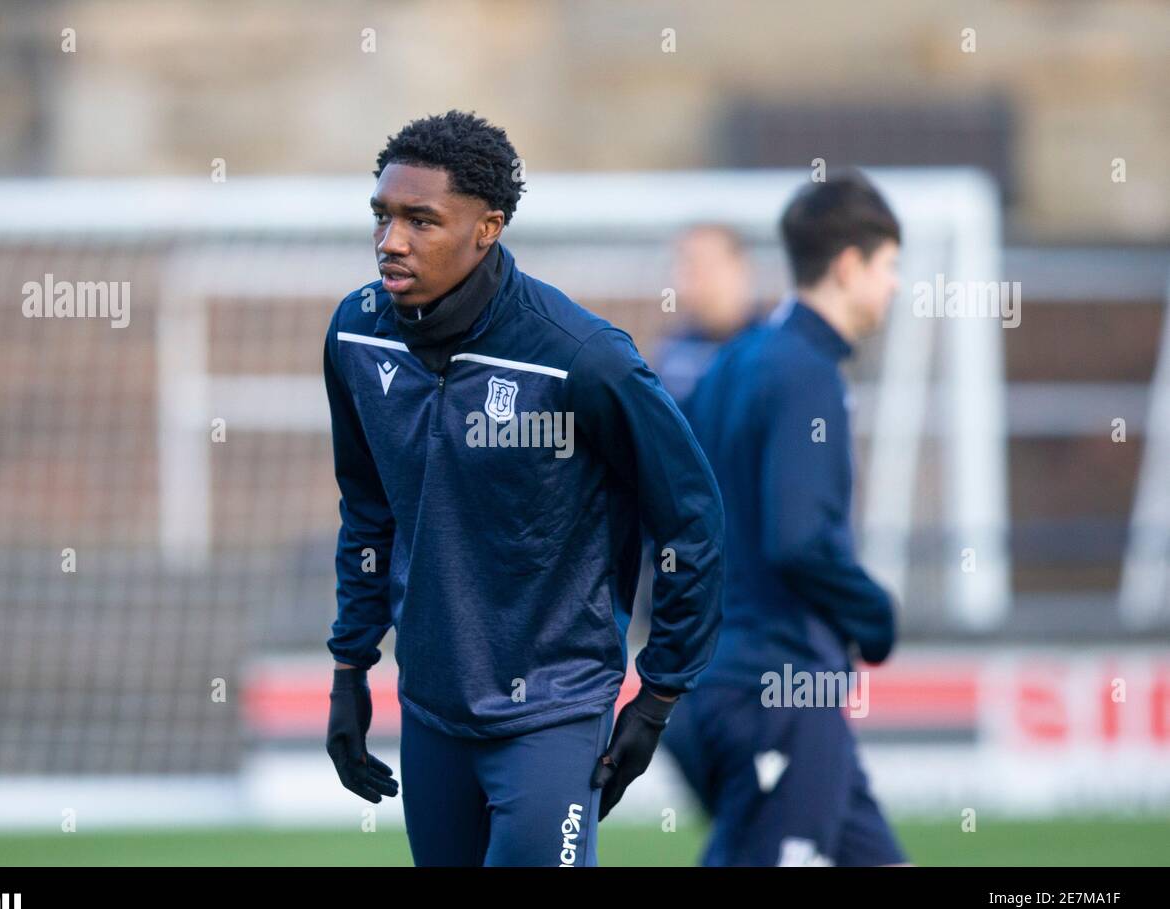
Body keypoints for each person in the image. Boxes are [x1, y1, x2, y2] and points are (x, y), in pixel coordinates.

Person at [321, 110, 724, 866]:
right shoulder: (355, 333)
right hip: (432, 709)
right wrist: (350, 668)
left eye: (420, 220)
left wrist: (661, 694)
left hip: (553, 711)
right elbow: (367, 512)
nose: (390, 241)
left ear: (488, 227)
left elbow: (692, 520)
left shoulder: (583, 359)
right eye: (382, 216)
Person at [662, 170, 906, 866]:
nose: (894, 285)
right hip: (780, 685)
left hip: (721, 679)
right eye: (890, 266)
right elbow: (798, 539)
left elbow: (676, 515)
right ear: (849, 265)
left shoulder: (735, 363)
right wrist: (874, 613)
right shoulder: (806, 372)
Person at [652, 223, 759, 410]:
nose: (698, 279)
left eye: (709, 265)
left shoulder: (771, 348)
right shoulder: (671, 352)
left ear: (741, 268)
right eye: (689, 266)